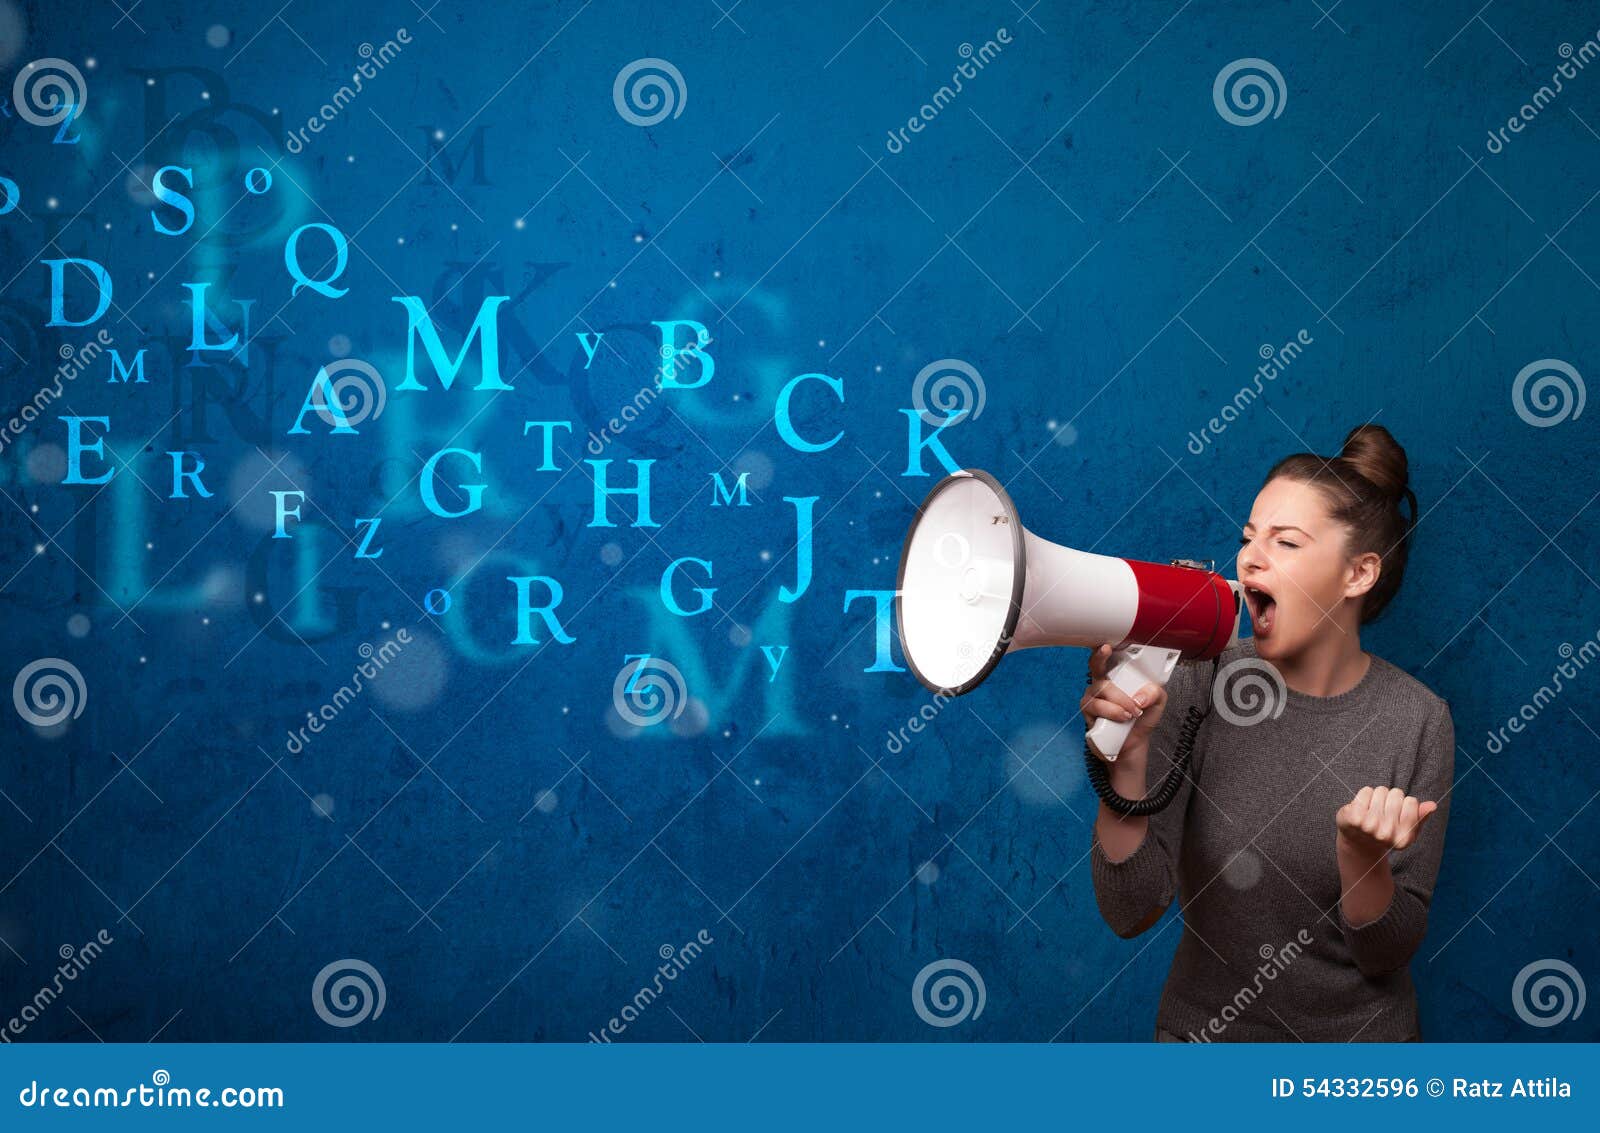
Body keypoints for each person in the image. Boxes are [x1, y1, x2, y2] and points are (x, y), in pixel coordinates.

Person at [1083, 424, 1453, 1042]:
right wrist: (1129, 755)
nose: (1250, 558)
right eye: (1248, 538)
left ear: (1359, 573)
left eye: (1285, 542)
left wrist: (1363, 860)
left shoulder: (1418, 720)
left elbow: (1386, 955)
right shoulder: (1197, 680)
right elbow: (1130, 911)